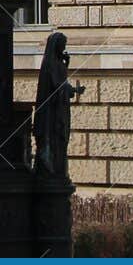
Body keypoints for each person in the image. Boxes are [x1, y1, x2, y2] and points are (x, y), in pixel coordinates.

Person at [32, 31, 82, 178]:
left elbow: (60, 85)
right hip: (52, 114)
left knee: (60, 143)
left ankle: (57, 169)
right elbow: (57, 87)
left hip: (58, 111)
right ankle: (53, 171)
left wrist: (65, 65)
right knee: (54, 141)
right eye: (63, 45)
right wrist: (74, 89)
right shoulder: (51, 65)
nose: (64, 48)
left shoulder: (57, 63)